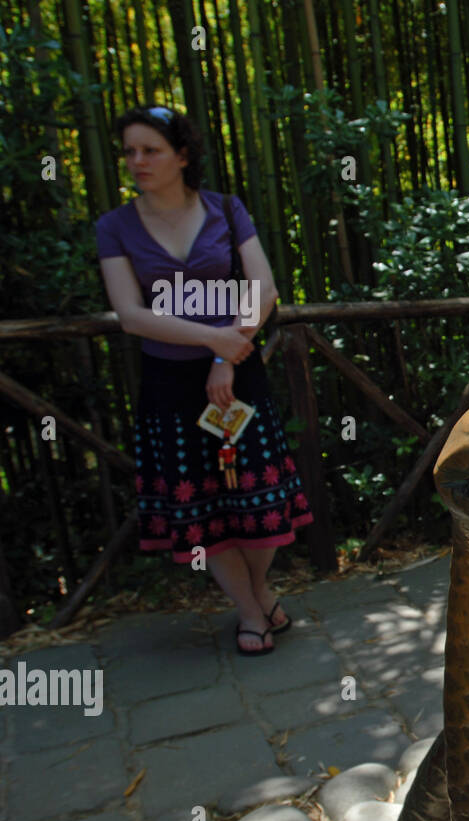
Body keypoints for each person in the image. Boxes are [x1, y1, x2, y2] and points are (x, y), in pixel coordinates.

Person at [96, 105, 312, 656]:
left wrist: (226, 356)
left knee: (258, 496)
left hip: (238, 371)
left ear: (183, 155)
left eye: (150, 150)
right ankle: (250, 609)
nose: (137, 161)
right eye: (130, 152)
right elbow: (131, 314)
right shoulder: (115, 226)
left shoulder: (225, 209)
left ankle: (258, 589)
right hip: (170, 383)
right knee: (200, 506)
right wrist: (211, 340)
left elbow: (263, 289)